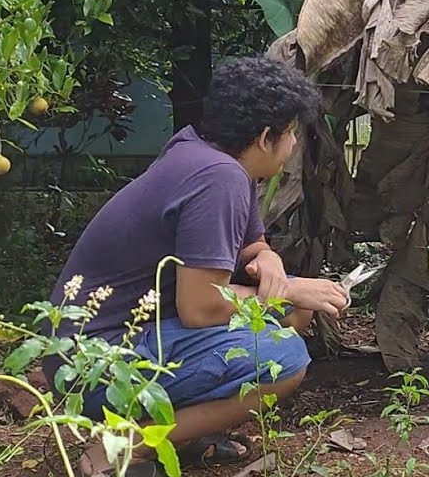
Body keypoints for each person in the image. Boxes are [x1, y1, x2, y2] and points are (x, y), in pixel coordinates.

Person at [42, 56, 351, 477]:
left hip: (118, 338)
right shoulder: (218, 178)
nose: (295, 144)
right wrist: (291, 289)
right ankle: (129, 444)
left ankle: (179, 432)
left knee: (294, 304)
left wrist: (271, 261)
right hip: (94, 362)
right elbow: (201, 307)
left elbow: (252, 244)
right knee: (287, 357)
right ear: (265, 137)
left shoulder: (208, 157)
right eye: (292, 133)